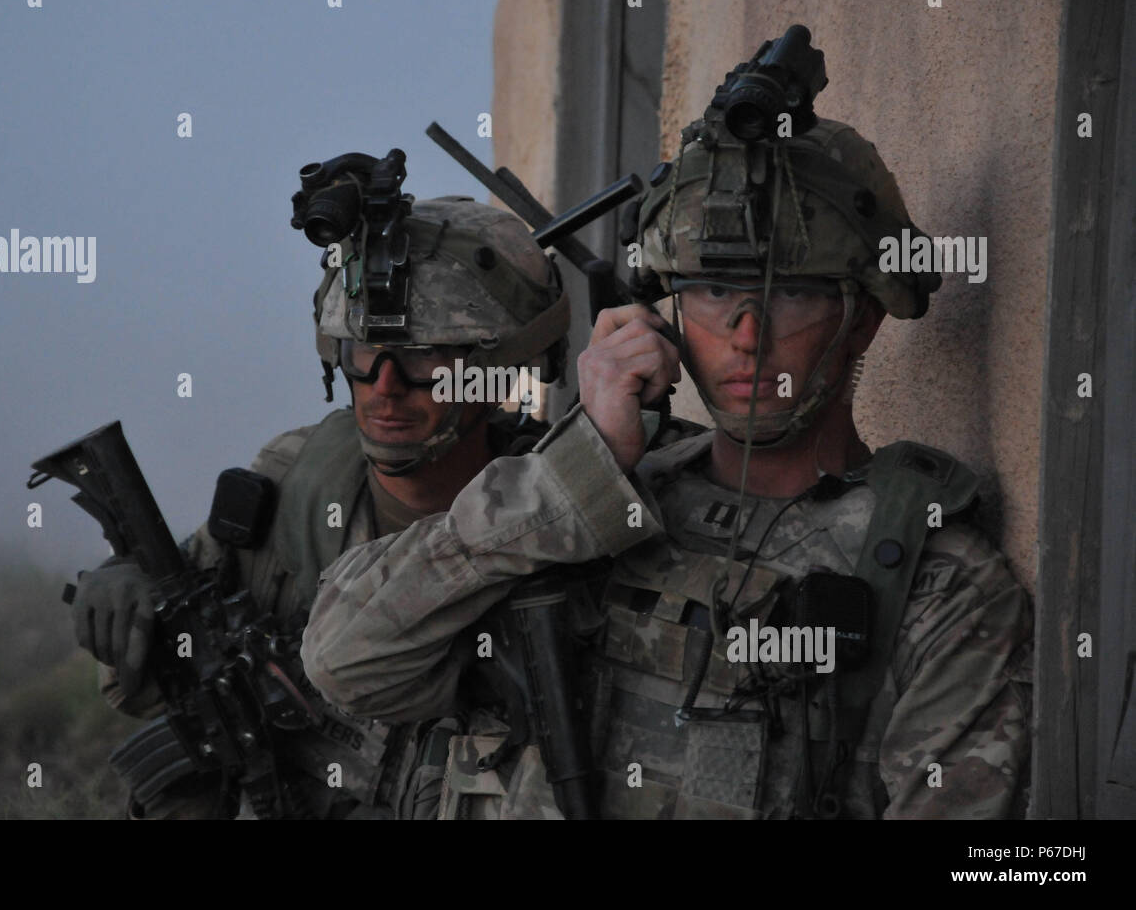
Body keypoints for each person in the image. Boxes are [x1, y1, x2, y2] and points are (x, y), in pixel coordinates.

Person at [302, 108, 1035, 819]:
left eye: (792, 294)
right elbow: (344, 659)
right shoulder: (585, 501)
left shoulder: (936, 588)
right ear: (666, 313)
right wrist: (574, 477)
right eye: (716, 292)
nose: (747, 336)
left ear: (864, 314)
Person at [71, 189, 569, 819]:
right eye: (365, 351)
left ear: (496, 366)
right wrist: (129, 594)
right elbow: (164, 675)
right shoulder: (295, 484)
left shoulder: (547, 522)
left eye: (422, 357)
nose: (385, 388)